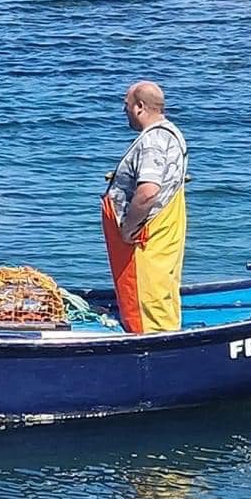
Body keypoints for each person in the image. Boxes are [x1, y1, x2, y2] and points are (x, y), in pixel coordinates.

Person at [101, 81, 188, 334]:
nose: (124, 112)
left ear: (140, 107)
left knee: (145, 297)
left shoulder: (152, 141)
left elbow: (149, 190)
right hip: (165, 230)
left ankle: (152, 342)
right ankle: (166, 331)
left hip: (144, 238)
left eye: (126, 106)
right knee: (162, 288)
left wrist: (128, 228)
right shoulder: (172, 134)